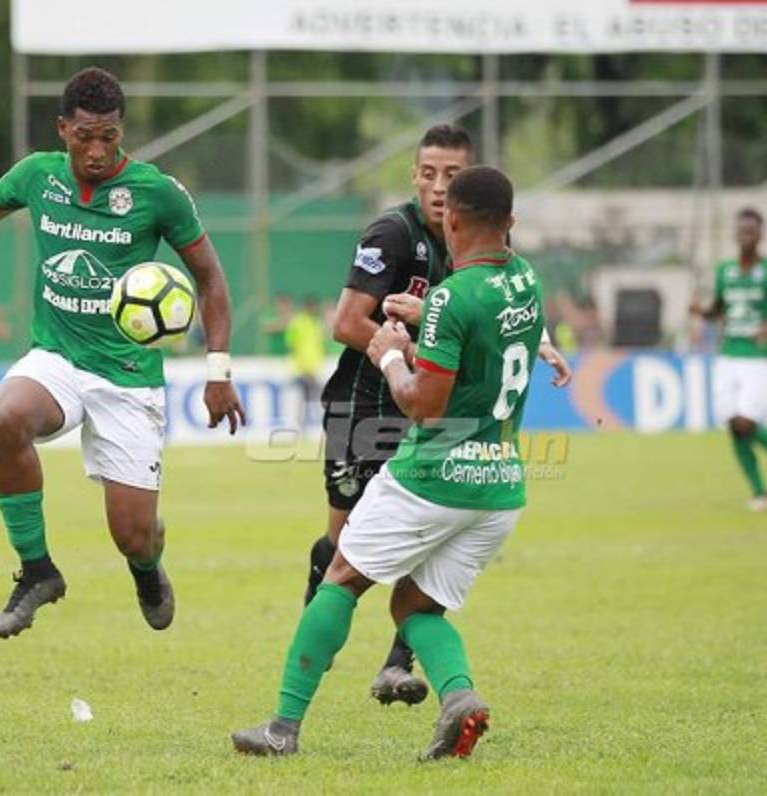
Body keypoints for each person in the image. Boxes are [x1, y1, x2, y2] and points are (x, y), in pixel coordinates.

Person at [0, 67, 245, 639]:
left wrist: (218, 370)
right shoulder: (38, 176)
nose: (96, 151)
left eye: (109, 137)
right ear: (63, 129)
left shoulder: (157, 193)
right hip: (58, 358)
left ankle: (147, 565)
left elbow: (211, 279)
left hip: (127, 375)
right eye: (85, 136)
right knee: (5, 416)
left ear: (122, 132)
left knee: (133, 535)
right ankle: (37, 571)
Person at [233, 165, 543, 760]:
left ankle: (281, 729)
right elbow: (482, 343)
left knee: (341, 576)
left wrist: (390, 354)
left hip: (433, 478)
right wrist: (433, 324)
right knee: (412, 605)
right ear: (510, 222)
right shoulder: (526, 280)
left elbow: (423, 404)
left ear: (452, 221)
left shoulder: (452, 296)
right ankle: (460, 698)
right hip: (499, 485)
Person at [306, 125, 572, 707]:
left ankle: (395, 665)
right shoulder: (391, 234)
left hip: (428, 404)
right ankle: (319, 617)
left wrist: (537, 340)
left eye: (451, 176)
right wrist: (402, 352)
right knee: (343, 543)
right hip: (365, 405)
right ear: (414, 177)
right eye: (428, 174)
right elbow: (347, 324)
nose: (437, 186)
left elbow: (484, 313)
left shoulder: (483, 236)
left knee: (431, 542)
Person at [690, 208, 767, 510]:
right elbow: (718, 310)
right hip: (729, 353)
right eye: (741, 231)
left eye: (751, 231)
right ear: (735, 234)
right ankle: (761, 492)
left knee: (746, 421)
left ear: (760, 235)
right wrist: (701, 311)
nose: (745, 236)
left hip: (760, 356)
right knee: (733, 423)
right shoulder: (725, 270)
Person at [284, 296, 327, 430]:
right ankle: (303, 424)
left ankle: (306, 424)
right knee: (306, 396)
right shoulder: (298, 323)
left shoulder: (316, 323)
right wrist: (302, 365)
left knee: (309, 397)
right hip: (302, 368)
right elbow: (292, 344)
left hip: (313, 367)